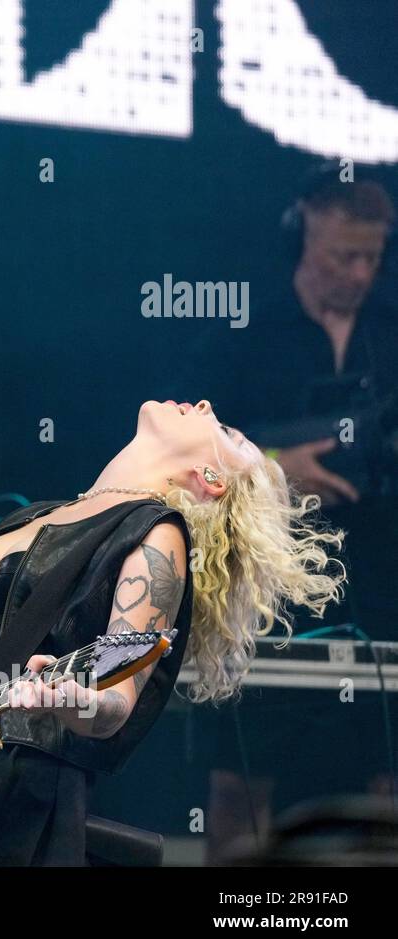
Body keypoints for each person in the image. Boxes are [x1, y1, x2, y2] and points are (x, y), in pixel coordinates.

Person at [0, 399, 343, 866]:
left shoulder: (156, 534)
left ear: (212, 479)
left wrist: (74, 699)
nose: (203, 405)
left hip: (2, 773)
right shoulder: (41, 513)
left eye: (225, 431)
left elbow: (115, 696)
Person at [186, 166, 397, 858]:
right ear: (302, 239)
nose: (361, 272)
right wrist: (277, 466)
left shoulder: (389, 333)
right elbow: (191, 447)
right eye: (345, 255)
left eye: (373, 256)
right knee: (240, 786)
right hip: (268, 591)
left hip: (380, 577)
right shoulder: (248, 331)